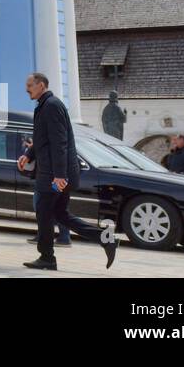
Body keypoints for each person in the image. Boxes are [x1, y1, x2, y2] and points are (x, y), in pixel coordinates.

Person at [19, 72, 116, 271]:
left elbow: (59, 142)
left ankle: (47, 258)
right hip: (54, 172)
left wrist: (60, 175)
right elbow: (42, 138)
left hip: (54, 175)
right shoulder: (45, 106)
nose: (26, 88)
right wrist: (28, 154)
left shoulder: (52, 106)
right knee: (60, 214)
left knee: (45, 213)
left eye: (30, 85)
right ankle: (105, 239)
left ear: (42, 85)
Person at [22, 135, 70, 247]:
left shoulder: (51, 135)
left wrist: (32, 148)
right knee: (47, 207)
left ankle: (60, 236)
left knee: (46, 207)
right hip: (50, 177)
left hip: (51, 177)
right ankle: (50, 235)